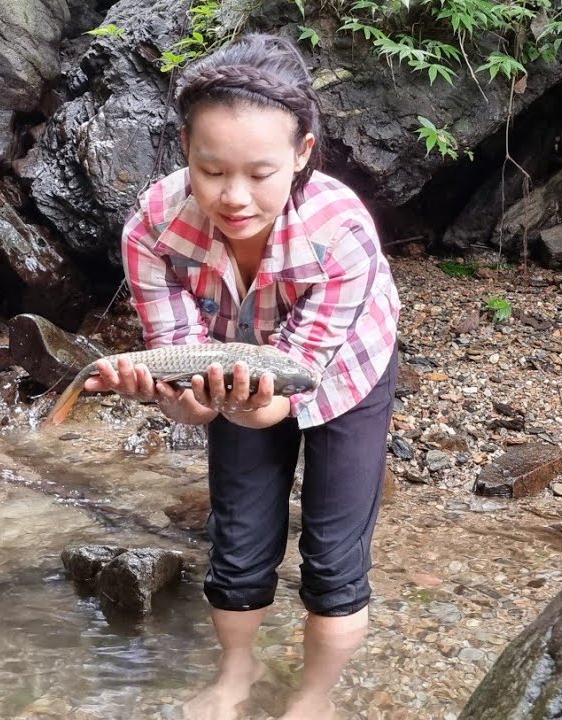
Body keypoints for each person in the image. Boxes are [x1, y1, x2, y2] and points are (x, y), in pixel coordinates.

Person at [83, 32, 401, 720]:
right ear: (183, 152)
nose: (234, 197)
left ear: (302, 154)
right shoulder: (152, 230)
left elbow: (303, 371)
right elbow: (181, 367)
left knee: (334, 554)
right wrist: (177, 403)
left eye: (260, 173)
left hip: (342, 368)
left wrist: (264, 411)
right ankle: (235, 676)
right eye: (211, 170)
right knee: (239, 539)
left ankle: (313, 700)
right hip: (226, 370)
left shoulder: (341, 232)